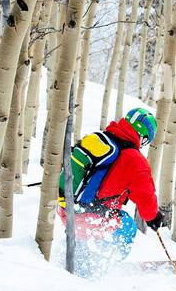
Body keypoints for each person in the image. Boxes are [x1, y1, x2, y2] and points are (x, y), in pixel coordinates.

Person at [57, 106, 163, 273]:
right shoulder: (135, 160)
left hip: (66, 206)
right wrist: (153, 216)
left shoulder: (101, 139)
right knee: (127, 226)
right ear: (143, 138)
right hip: (89, 216)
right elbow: (145, 196)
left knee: (102, 222)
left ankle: (82, 255)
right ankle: (105, 266)